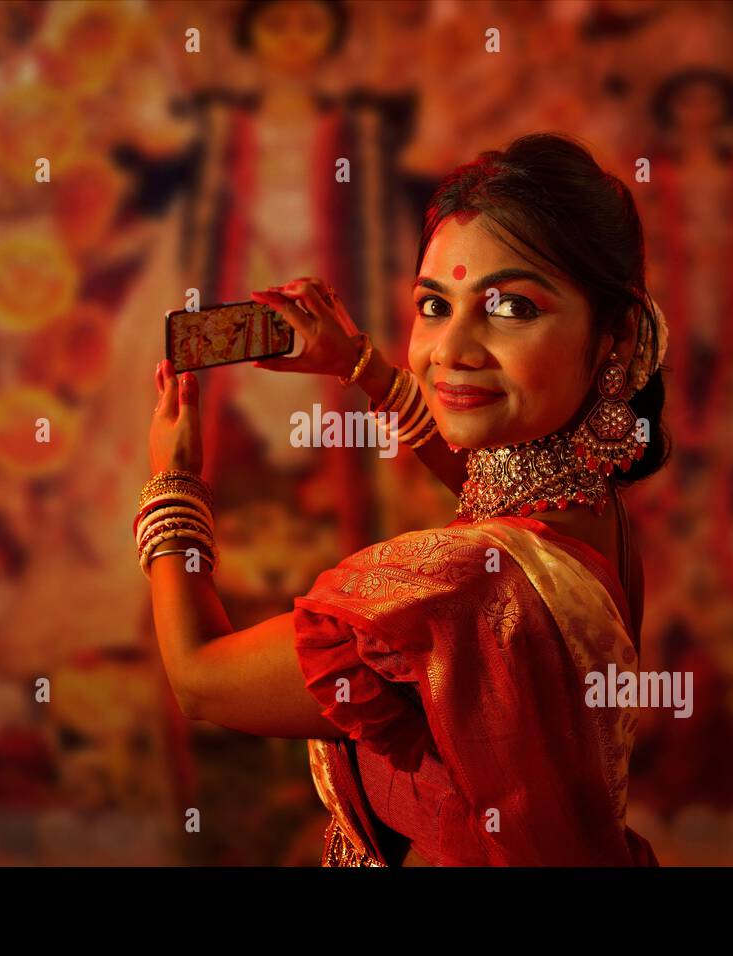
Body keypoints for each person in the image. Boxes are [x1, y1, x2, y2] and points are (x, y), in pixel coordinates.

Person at [141, 133, 668, 866]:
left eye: (512, 306)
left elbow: (200, 680)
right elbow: (483, 478)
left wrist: (172, 485)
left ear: (616, 335)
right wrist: (361, 365)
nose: (452, 349)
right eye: (434, 303)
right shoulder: (584, 505)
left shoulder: (457, 591)